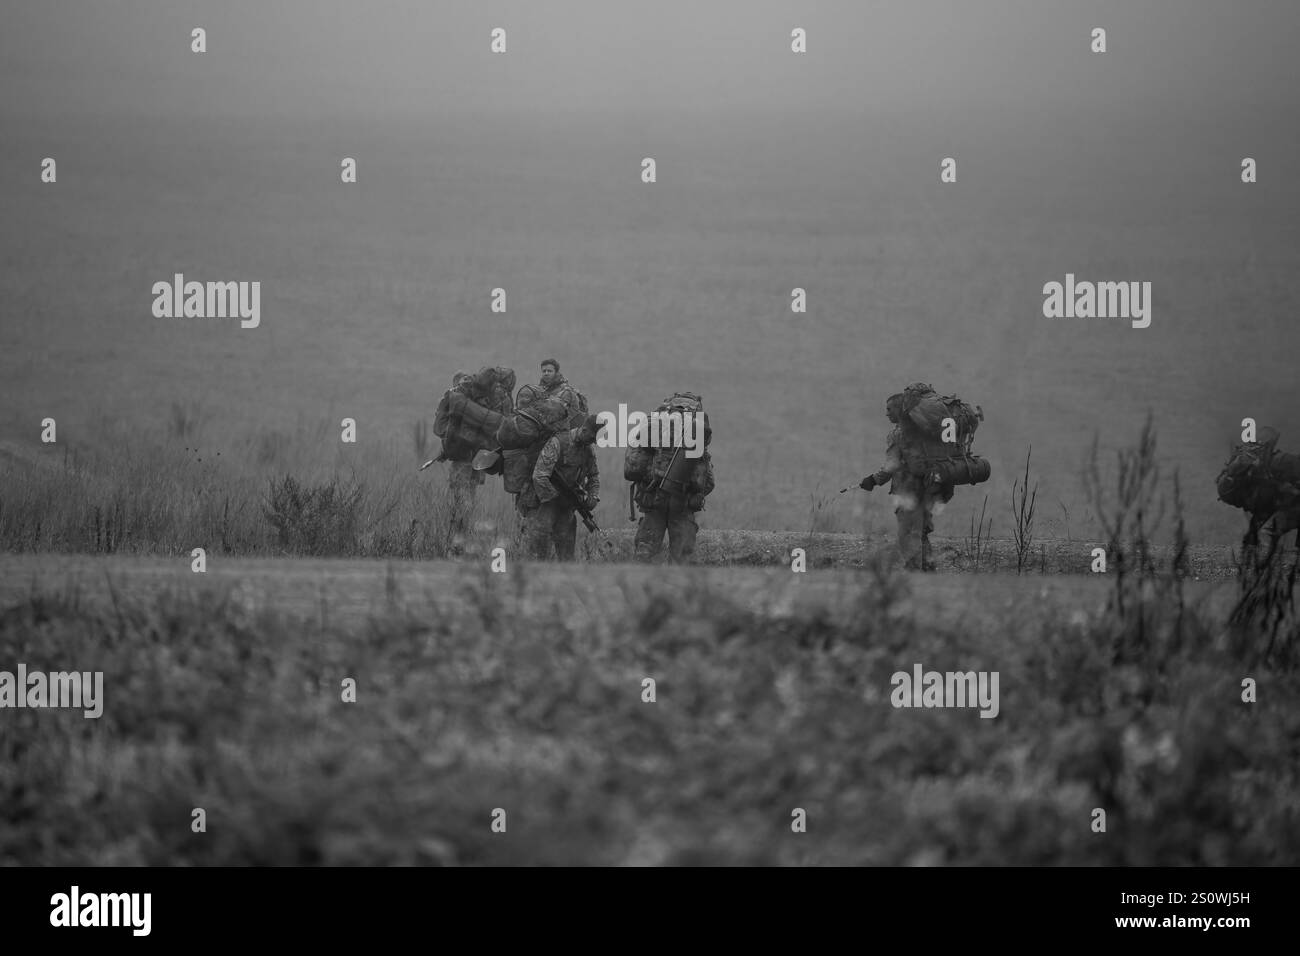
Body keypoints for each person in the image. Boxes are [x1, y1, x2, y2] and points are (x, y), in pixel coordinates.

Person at [862, 392, 955, 571]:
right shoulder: (924, 434)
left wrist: (872, 480)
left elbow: (891, 465)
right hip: (929, 489)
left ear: (900, 410)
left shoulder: (898, 434)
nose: (886, 413)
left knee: (907, 533)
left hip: (908, 491)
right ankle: (928, 568)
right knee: (921, 532)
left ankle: (913, 570)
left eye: (890, 409)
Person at [626, 393, 715, 563]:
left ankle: (638, 587)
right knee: (683, 557)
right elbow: (708, 482)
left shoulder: (653, 432)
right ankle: (678, 588)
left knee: (644, 554)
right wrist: (694, 495)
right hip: (682, 505)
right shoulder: (696, 439)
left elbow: (632, 467)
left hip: (652, 499)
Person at [525, 413, 602, 560]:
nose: (592, 442)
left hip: (568, 506)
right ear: (584, 430)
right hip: (547, 503)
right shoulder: (558, 442)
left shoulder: (588, 450)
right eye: (591, 438)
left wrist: (592, 496)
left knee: (566, 552)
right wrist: (556, 497)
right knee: (539, 547)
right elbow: (539, 475)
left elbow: (594, 476)